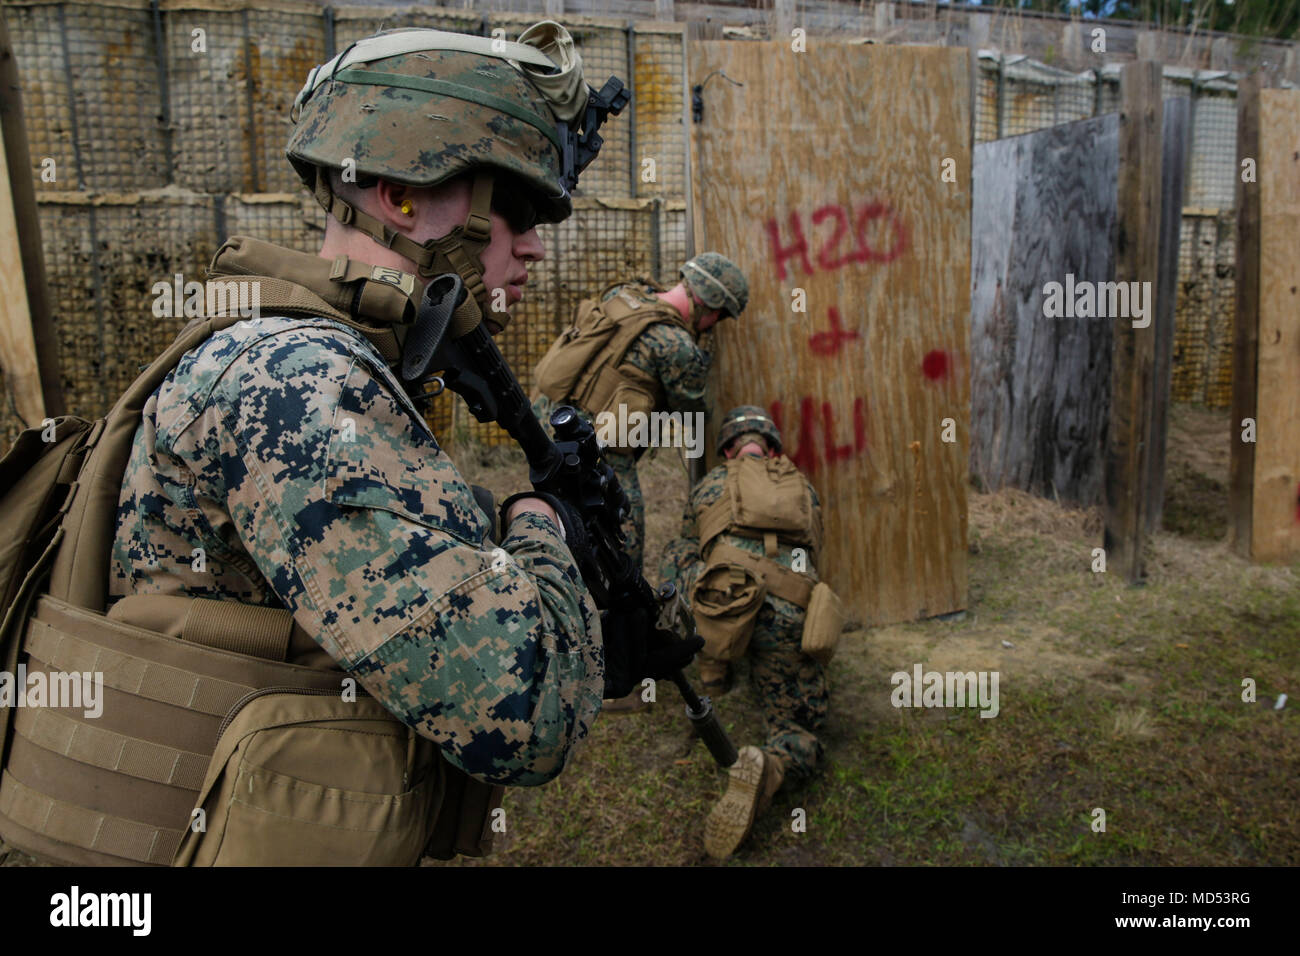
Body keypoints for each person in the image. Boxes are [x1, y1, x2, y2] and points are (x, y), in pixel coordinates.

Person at [0, 22, 623, 866]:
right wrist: (537, 526)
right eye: (516, 206)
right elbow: (527, 715)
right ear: (401, 196)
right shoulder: (299, 381)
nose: (536, 243)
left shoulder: (303, 351)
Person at [660, 406, 832, 859]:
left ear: (729, 450)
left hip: (724, 609)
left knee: (686, 561)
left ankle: (714, 669)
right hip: (786, 616)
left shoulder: (708, 485)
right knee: (800, 728)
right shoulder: (806, 490)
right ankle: (773, 764)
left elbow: (681, 552)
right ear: (773, 448)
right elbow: (813, 558)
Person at [531, 253, 748, 572]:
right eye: (720, 315)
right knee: (624, 533)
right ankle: (618, 611)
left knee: (555, 510)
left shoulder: (624, 295)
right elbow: (690, 411)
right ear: (709, 302)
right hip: (597, 447)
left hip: (548, 419)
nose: (715, 324)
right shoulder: (677, 345)